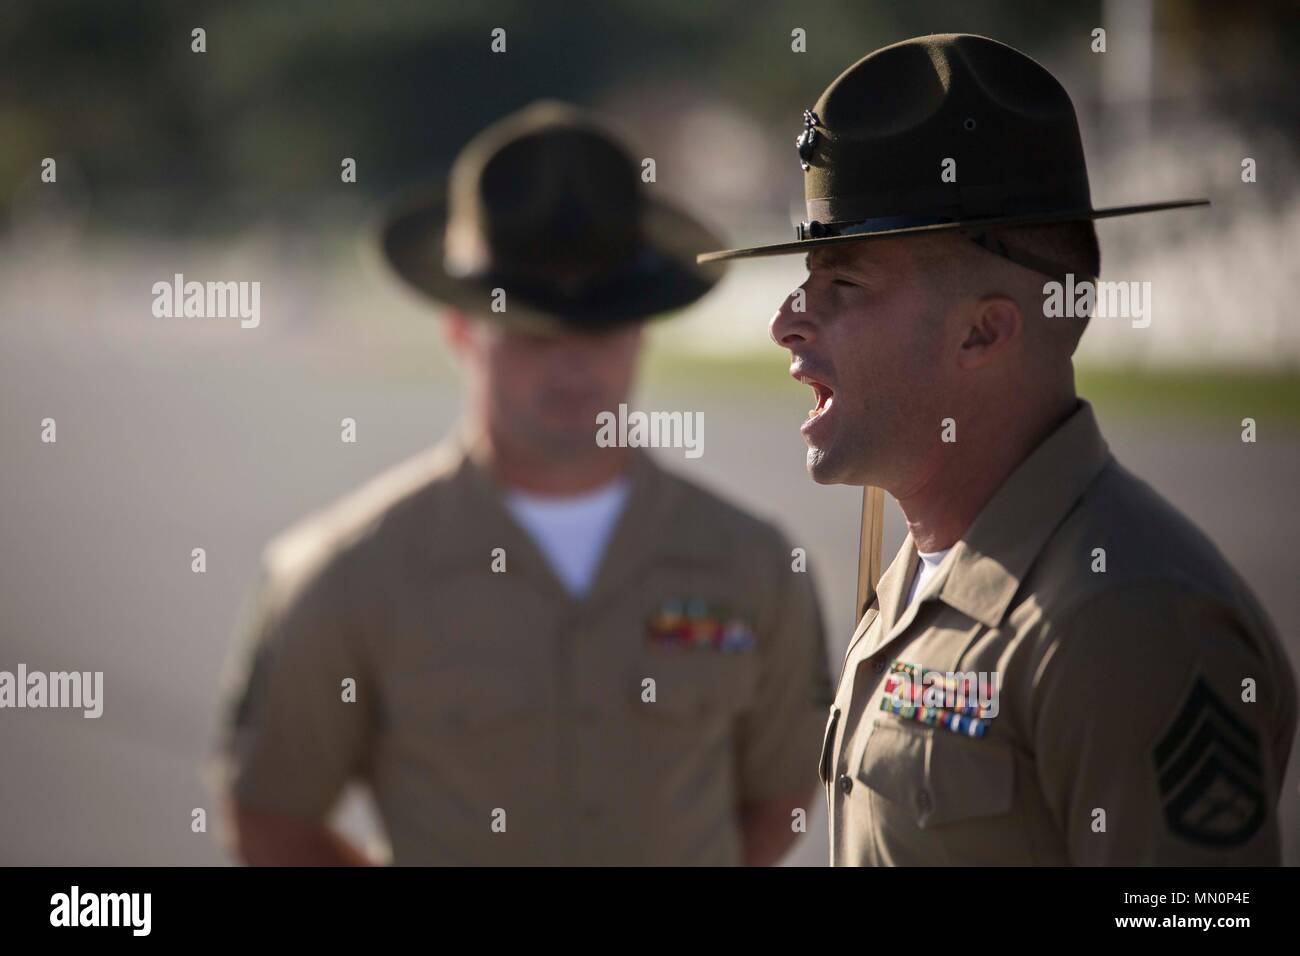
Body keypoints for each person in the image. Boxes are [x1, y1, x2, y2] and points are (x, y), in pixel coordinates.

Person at [699, 34, 1296, 864]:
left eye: (844, 283)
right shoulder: (926, 563)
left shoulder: (1129, 619)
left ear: (984, 331)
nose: (786, 322)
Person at [210, 101, 832, 866]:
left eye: (600, 325)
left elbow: (779, 799)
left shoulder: (755, 564)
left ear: (641, 329)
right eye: (532, 329)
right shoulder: (341, 573)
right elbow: (271, 823)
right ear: (460, 328)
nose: (570, 362)